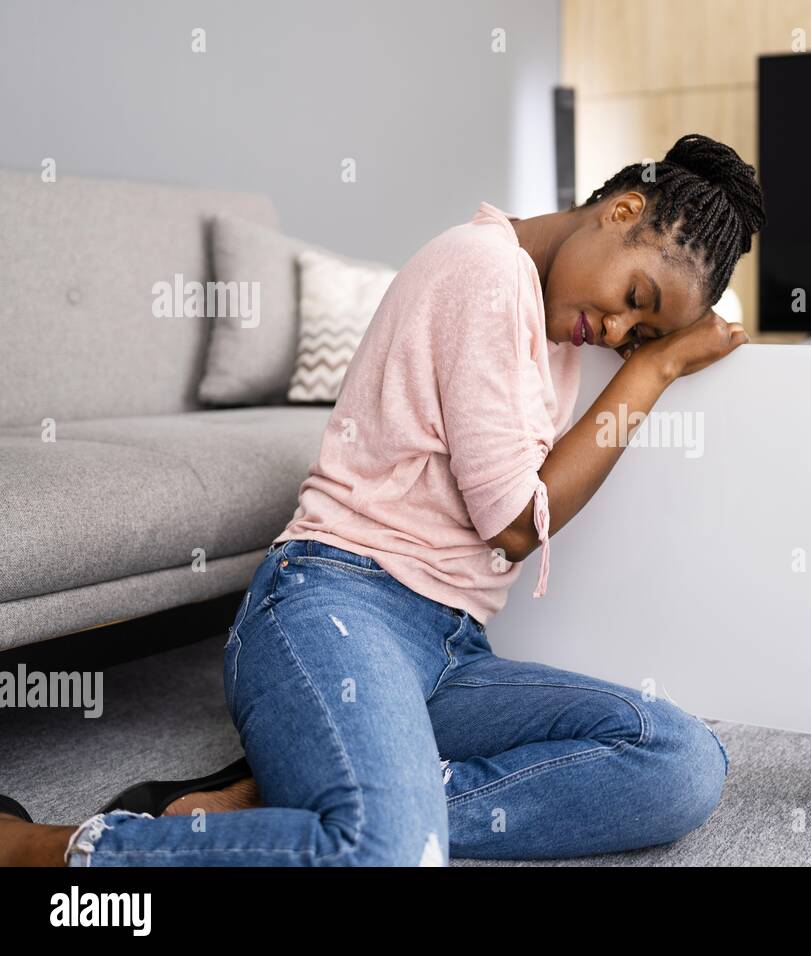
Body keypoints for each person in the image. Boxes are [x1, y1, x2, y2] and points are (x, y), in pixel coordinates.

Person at [0, 133, 766, 866]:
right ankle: (43, 849)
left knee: (681, 760)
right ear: (624, 210)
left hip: (448, 650)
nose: (619, 328)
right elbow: (510, 526)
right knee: (387, 854)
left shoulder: (551, 327)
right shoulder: (484, 269)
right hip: (333, 603)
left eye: (640, 332)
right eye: (635, 298)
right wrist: (653, 371)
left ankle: (307, 798)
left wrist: (644, 351)